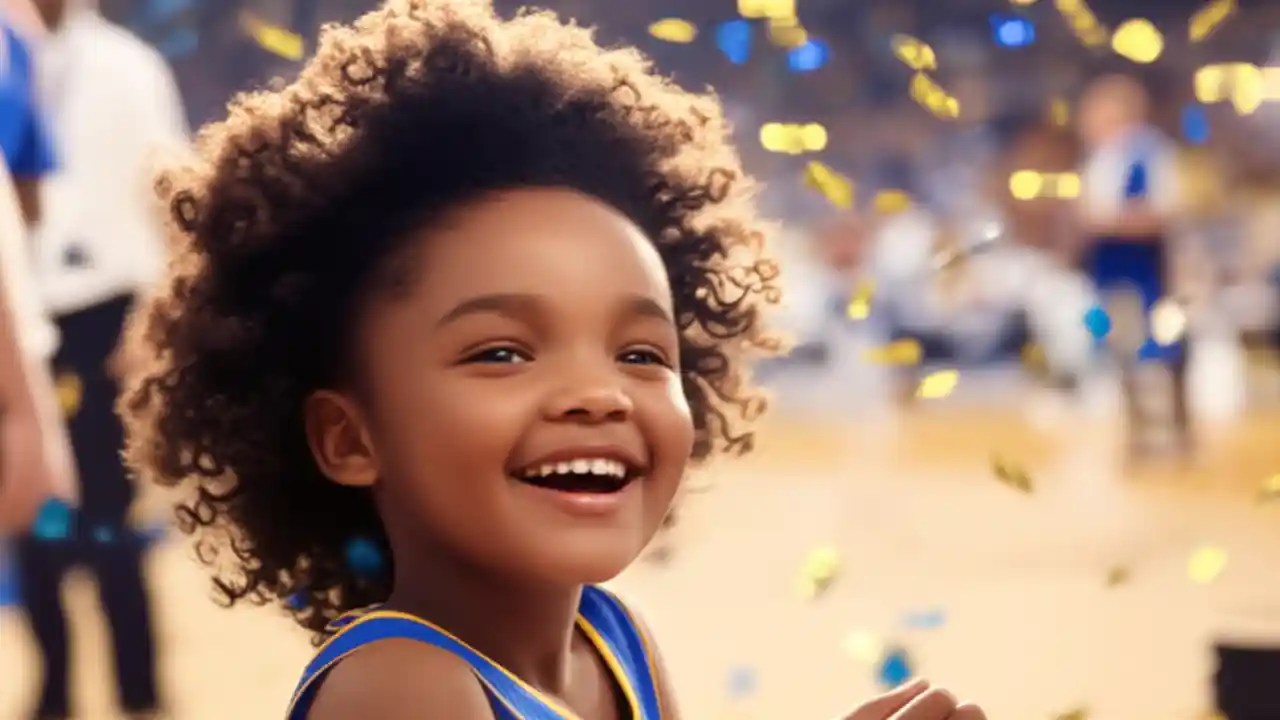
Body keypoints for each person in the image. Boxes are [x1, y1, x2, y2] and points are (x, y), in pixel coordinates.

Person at [117, 1, 987, 718]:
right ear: (349, 439)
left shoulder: (614, 639)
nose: (597, 394)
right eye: (502, 351)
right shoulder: (404, 689)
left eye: (642, 351)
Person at [13, 0, 188, 717]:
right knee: (35, 518)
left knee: (113, 519)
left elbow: (171, 192)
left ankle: (139, 693)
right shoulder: (7, 54)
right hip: (24, 319)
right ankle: (52, 688)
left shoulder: (126, 64)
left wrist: (153, 320)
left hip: (109, 319)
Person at [1076, 74, 1189, 458]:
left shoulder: (1152, 154)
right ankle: (1139, 434)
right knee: (1122, 350)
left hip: (1148, 270)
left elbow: (1164, 212)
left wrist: (1110, 222)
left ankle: (1171, 434)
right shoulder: (1100, 158)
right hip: (1110, 270)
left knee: (1160, 352)